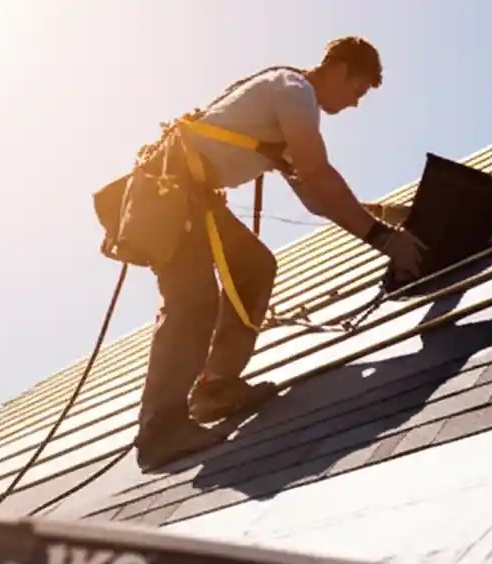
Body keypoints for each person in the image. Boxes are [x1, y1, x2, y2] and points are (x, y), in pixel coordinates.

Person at [95, 36, 426, 471]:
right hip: (172, 195)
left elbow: (315, 196)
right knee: (192, 301)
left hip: (193, 197)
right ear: (341, 70)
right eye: (357, 90)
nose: (355, 103)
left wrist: (385, 214)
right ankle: (161, 431)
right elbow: (317, 173)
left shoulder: (285, 100)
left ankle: (215, 386)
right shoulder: (294, 91)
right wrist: (383, 239)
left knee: (254, 267)